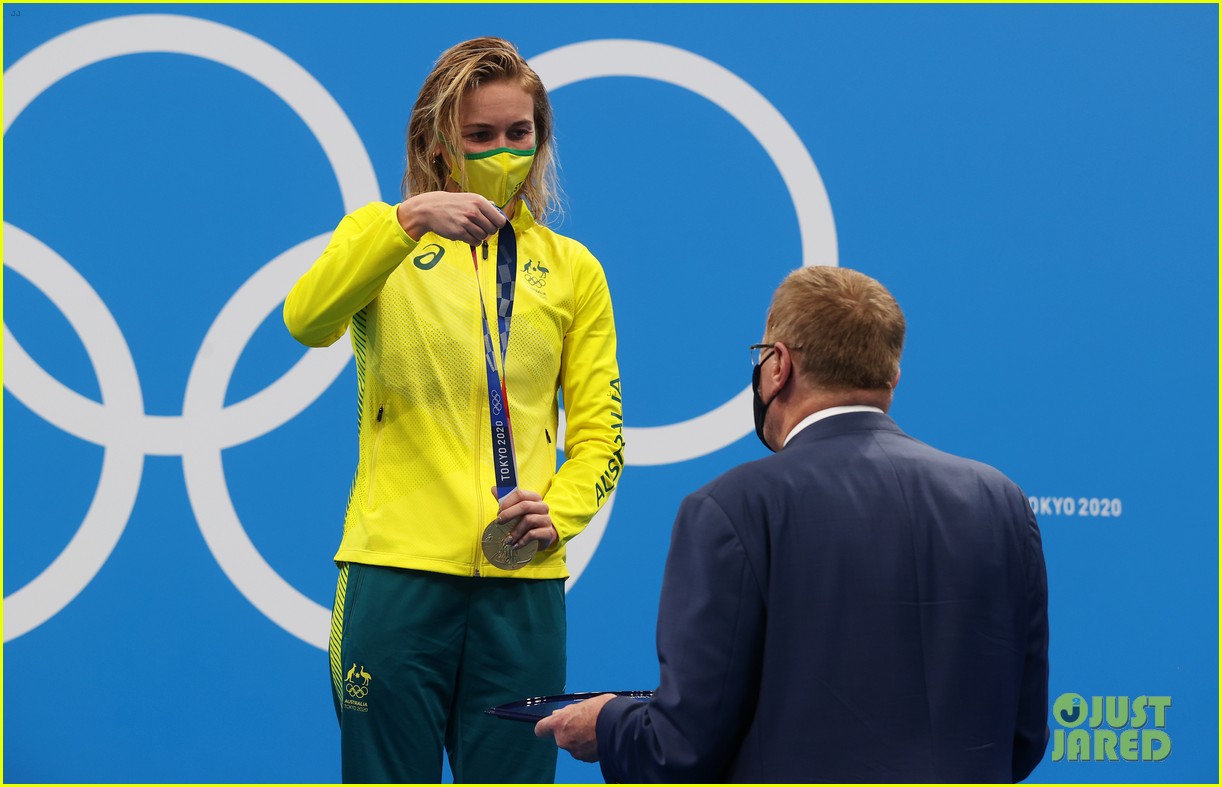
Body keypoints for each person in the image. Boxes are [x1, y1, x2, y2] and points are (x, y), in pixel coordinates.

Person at [536, 266, 1048, 782]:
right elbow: (1024, 737)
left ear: (777, 366)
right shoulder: (1000, 501)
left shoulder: (733, 507)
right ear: (892, 377)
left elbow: (682, 749)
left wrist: (609, 724)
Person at [284, 37, 624, 783]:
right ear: (437, 142)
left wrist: (559, 512)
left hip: (522, 583)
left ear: (540, 140)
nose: (503, 152)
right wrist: (403, 223)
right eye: (479, 135)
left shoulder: (573, 270)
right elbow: (305, 320)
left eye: (518, 133)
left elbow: (602, 437)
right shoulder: (380, 239)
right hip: (395, 575)